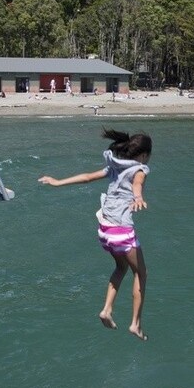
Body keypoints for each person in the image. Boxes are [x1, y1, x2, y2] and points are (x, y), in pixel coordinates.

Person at [38, 129, 152, 341]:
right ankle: (135, 324)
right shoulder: (140, 169)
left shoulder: (115, 168)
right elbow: (137, 183)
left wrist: (57, 181)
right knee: (141, 273)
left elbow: (88, 177)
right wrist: (138, 197)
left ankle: (107, 310)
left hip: (104, 229)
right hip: (121, 232)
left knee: (121, 267)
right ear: (144, 155)